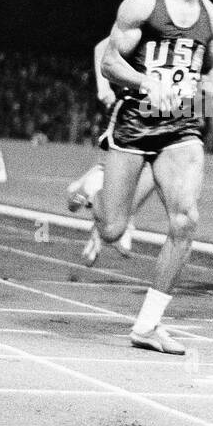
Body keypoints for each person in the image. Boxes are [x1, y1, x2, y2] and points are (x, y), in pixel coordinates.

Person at [92, 0, 213, 354]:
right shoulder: (142, 4)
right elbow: (110, 61)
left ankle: (147, 325)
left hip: (181, 127)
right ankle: (94, 186)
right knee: (113, 229)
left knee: (185, 221)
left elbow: (207, 72)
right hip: (134, 120)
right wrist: (146, 82)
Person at [64, 36, 159, 265]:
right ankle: (93, 187)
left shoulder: (193, 25)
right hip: (134, 110)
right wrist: (103, 86)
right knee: (133, 178)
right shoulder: (149, 16)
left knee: (158, 173)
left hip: (168, 114)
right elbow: (102, 48)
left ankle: (117, 219)